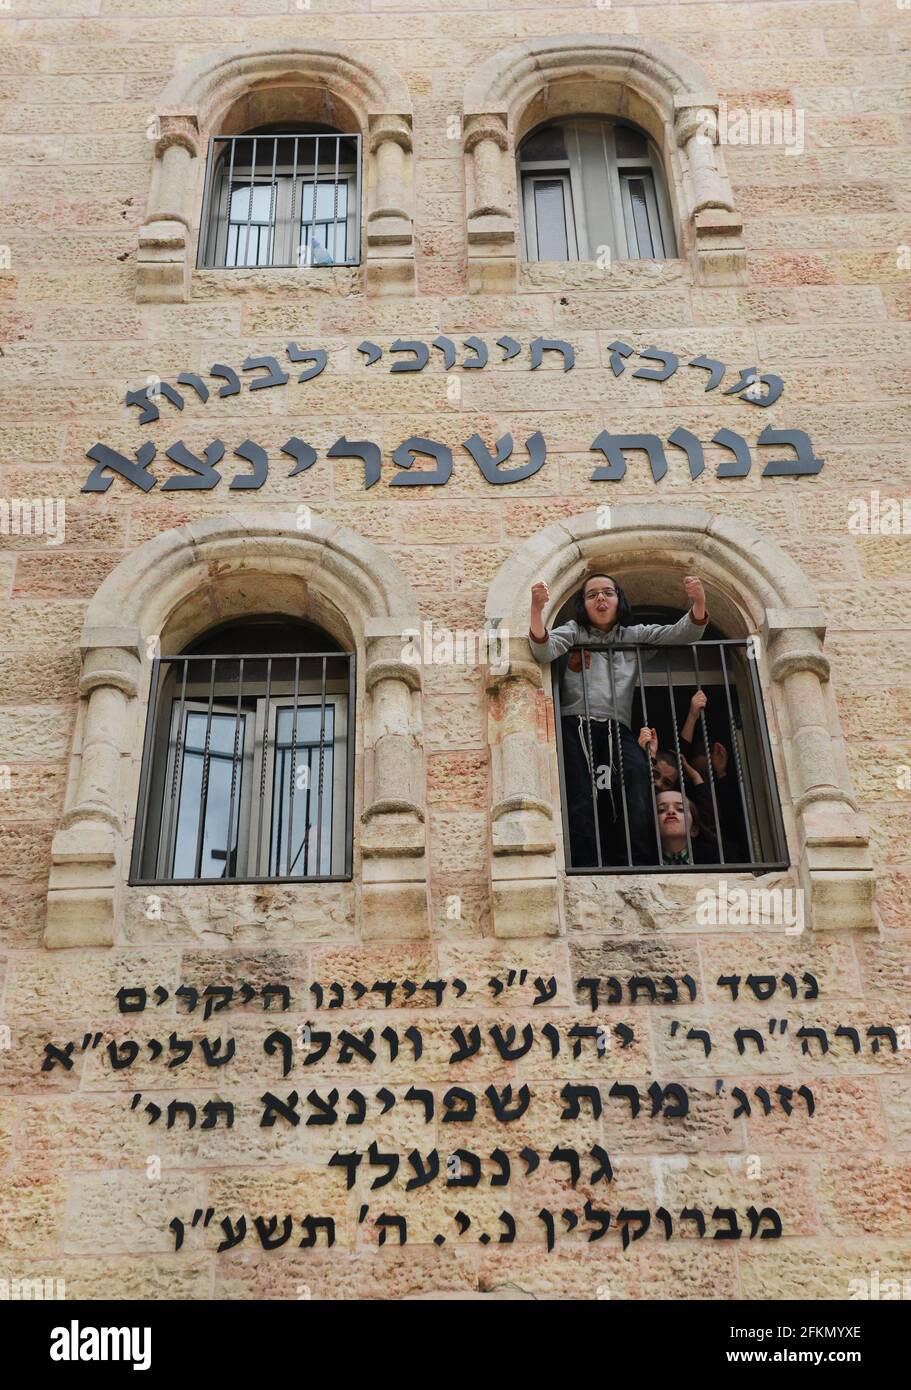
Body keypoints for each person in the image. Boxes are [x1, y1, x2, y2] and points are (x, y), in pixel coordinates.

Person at [529, 571, 710, 869]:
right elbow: (542, 649)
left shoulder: (632, 635)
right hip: (576, 723)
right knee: (581, 790)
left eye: (607, 592)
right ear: (583, 604)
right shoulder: (574, 631)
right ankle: (585, 863)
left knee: (638, 777)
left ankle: (635, 860)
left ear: (618, 600)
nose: (600, 598)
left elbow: (683, 633)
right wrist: (536, 609)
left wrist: (699, 602)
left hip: (617, 728)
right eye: (592, 594)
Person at [655, 788, 717, 866]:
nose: (671, 811)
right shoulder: (642, 861)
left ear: (694, 829)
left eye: (680, 809)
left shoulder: (714, 859)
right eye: (661, 810)